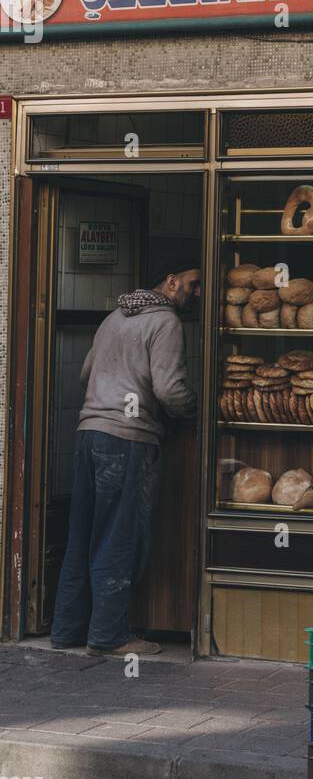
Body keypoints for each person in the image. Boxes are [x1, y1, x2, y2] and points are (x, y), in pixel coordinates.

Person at [51, 269, 200, 657]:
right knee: (120, 536)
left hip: (89, 434)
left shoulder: (114, 317)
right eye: (193, 283)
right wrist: (192, 411)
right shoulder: (166, 321)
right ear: (170, 281)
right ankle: (109, 635)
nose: (196, 292)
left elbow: (86, 374)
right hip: (126, 440)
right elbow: (170, 389)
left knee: (81, 535)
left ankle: (67, 629)